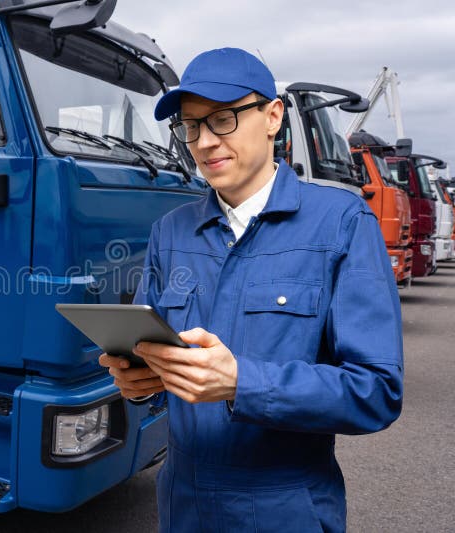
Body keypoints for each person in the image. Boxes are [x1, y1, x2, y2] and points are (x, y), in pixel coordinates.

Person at [99, 47, 403, 532]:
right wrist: (140, 385)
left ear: (273, 117)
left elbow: (378, 392)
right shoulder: (170, 232)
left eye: (222, 119)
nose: (203, 142)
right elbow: (153, 356)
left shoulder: (342, 224)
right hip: (183, 506)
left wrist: (244, 382)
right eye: (190, 127)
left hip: (286, 507)